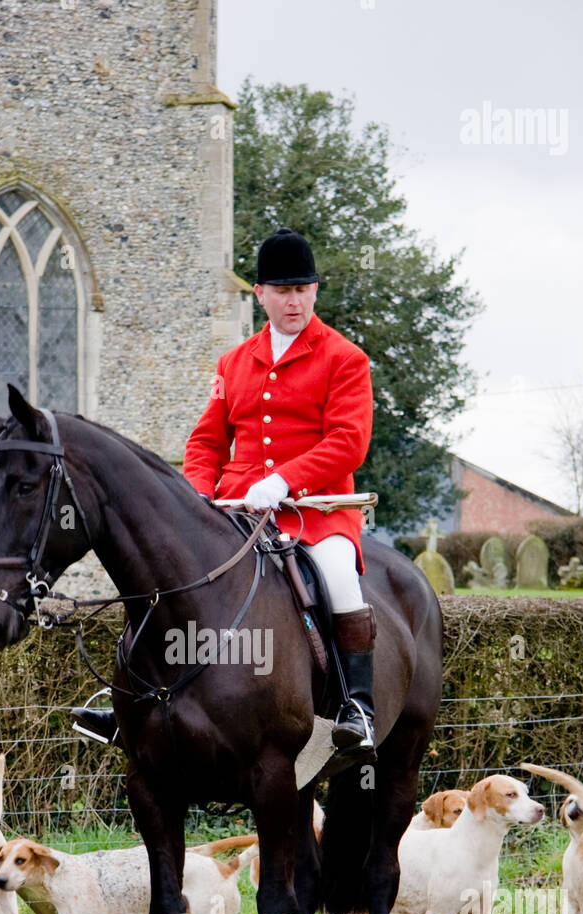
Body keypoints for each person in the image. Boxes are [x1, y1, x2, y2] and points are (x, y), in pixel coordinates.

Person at [73, 227, 376, 758]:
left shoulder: (344, 358)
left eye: (303, 289)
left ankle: (356, 709)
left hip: (315, 512)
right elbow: (206, 440)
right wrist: (193, 503)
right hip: (235, 510)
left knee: (337, 576)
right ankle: (131, 704)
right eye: (282, 291)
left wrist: (285, 479)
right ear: (260, 294)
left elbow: (349, 442)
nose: (294, 301)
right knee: (168, 573)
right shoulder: (233, 363)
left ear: (315, 290)